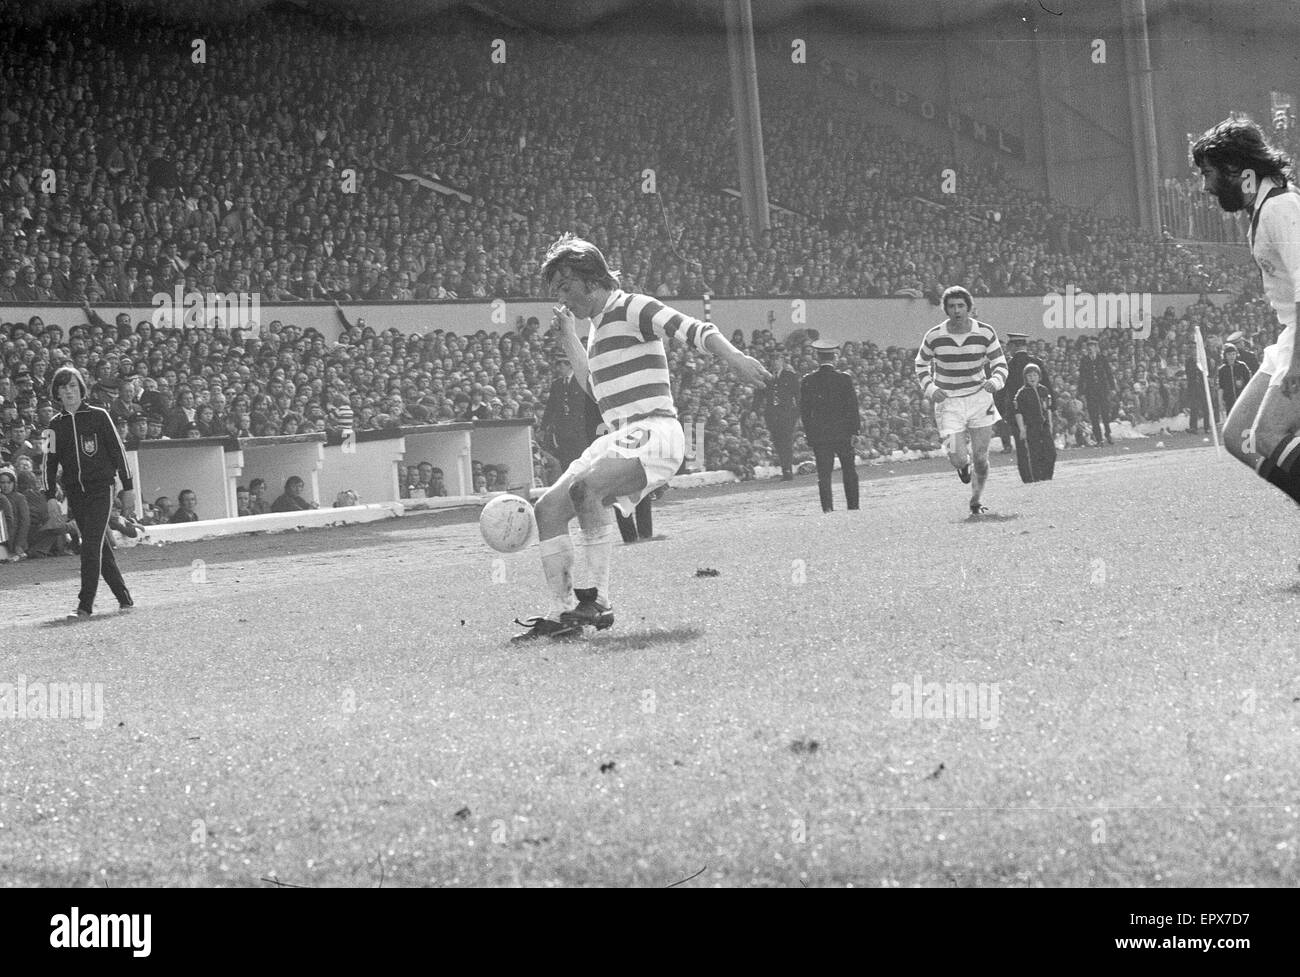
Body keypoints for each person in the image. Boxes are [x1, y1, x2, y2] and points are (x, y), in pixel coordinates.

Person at [513, 234, 770, 640]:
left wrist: (735, 358)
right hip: (619, 435)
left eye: (565, 286)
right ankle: (563, 614)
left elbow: (694, 328)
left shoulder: (632, 306)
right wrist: (568, 338)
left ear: (590, 278)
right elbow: (594, 389)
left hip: (655, 429)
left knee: (585, 490)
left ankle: (599, 599)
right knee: (547, 509)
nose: (561, 298)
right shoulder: (596, 328)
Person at [1195, 119, 1300, 506]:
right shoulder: (1264, 208)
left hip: (1299, 341)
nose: (1205, 186)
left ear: (1237, 170)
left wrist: (1297, 363)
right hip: (1290, 335)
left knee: (1269, 435)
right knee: (1239, 434)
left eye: (1208, 173)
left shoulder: (1280, 207)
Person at [42, 365, 135, 618]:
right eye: (63, 387)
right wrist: (50, 496)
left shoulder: (100, 415)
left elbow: (118, 452)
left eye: (73, 385)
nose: (68, 391)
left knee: (90, 545)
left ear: (81, 388)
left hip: (101, 490)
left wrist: (128, 488)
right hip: (76, 493)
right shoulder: (52, 426)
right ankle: (125, 598)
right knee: (99, 548)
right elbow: (47, 465)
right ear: (57, 393)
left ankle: (85, 606)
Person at [914, 286, 1008, 514]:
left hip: (979, 400)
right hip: (948, 404)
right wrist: (930, 388)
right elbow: (920, 365)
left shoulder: (985, 332)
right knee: (957, 457)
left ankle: (976, 500)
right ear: (946, 309)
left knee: (981, 457)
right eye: (952, 306)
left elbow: (1000, 365)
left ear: (969, 308)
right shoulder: (934, 336)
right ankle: (962, 467)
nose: (956, 310)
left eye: (961, 306)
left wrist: (994, 382)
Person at [799, 339, 860, 512]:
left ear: (818, 358)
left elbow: (805, 412)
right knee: (849, 471)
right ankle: (853, 506)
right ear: (834, 357)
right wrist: (855, 431)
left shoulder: (808, 380)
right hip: (843, 433)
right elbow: (852, 408)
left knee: (824, 475)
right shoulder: (844, 379)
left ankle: (827, 508)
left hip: (821, 435)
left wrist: (809, 434)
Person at [995, 332, 1052, 455]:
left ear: (1014, 346)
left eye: (1010, 346)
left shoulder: (1008, 365)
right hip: (1037, 408)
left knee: (1021, 446)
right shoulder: (1036, 362)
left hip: (1016, 409)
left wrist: (999, 409)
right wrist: (1052, 406)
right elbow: (1047, 386)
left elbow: (1002, 390)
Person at [1012, 363, 1056, 482]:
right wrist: (1022, 429)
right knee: (1035, 453)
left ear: (1039, 376)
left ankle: (1047, 476)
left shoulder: (1044, 390)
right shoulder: (1022, 393)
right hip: (1031, 426)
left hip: (1044, 425)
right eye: (1029, 375)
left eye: (1035, 375)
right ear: (1025, 377)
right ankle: (1037, 478)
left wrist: (1050, 424)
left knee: (1051, 452)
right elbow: (1018, 412)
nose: (1032, 378)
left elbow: (1048, 409)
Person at [763, 353, 801, 480]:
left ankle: (787, 469)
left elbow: (798, 394)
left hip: (787, 414)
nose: (775, 363)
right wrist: (755, 410)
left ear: (782, 362)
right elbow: (759, 394)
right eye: (773, 360)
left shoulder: (790, 376)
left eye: (777, 360)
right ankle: (784, 467)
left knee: (786, 441)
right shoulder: (766, 376)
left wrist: (798, 412)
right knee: (778, 441)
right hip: (772, 415)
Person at [1078, 338, 1116, 445]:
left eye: (1093, 346)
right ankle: (1099, 438)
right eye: (1089, 346)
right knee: (1093, 415)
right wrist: (1081, 392)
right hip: (1090, 391)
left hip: (1102, 390)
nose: (1091, 348)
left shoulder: (1102, 358)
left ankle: (1108, 433)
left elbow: (1109, 374)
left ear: (1096, 348)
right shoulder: (1084, 360)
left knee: (1105, 413)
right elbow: (1082, 377)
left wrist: (1112, 388)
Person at [1217, 343, 1252, 415]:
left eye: (1233, 354)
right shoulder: (1222, 369)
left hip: (1242, 398)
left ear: (1236, 355)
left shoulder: (1242, 366)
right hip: (1229, 400)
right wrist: (1220, 402)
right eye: (1229, 354)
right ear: (1225, 356)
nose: (1231, 357)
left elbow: (1249, 383)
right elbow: (1221, 387)